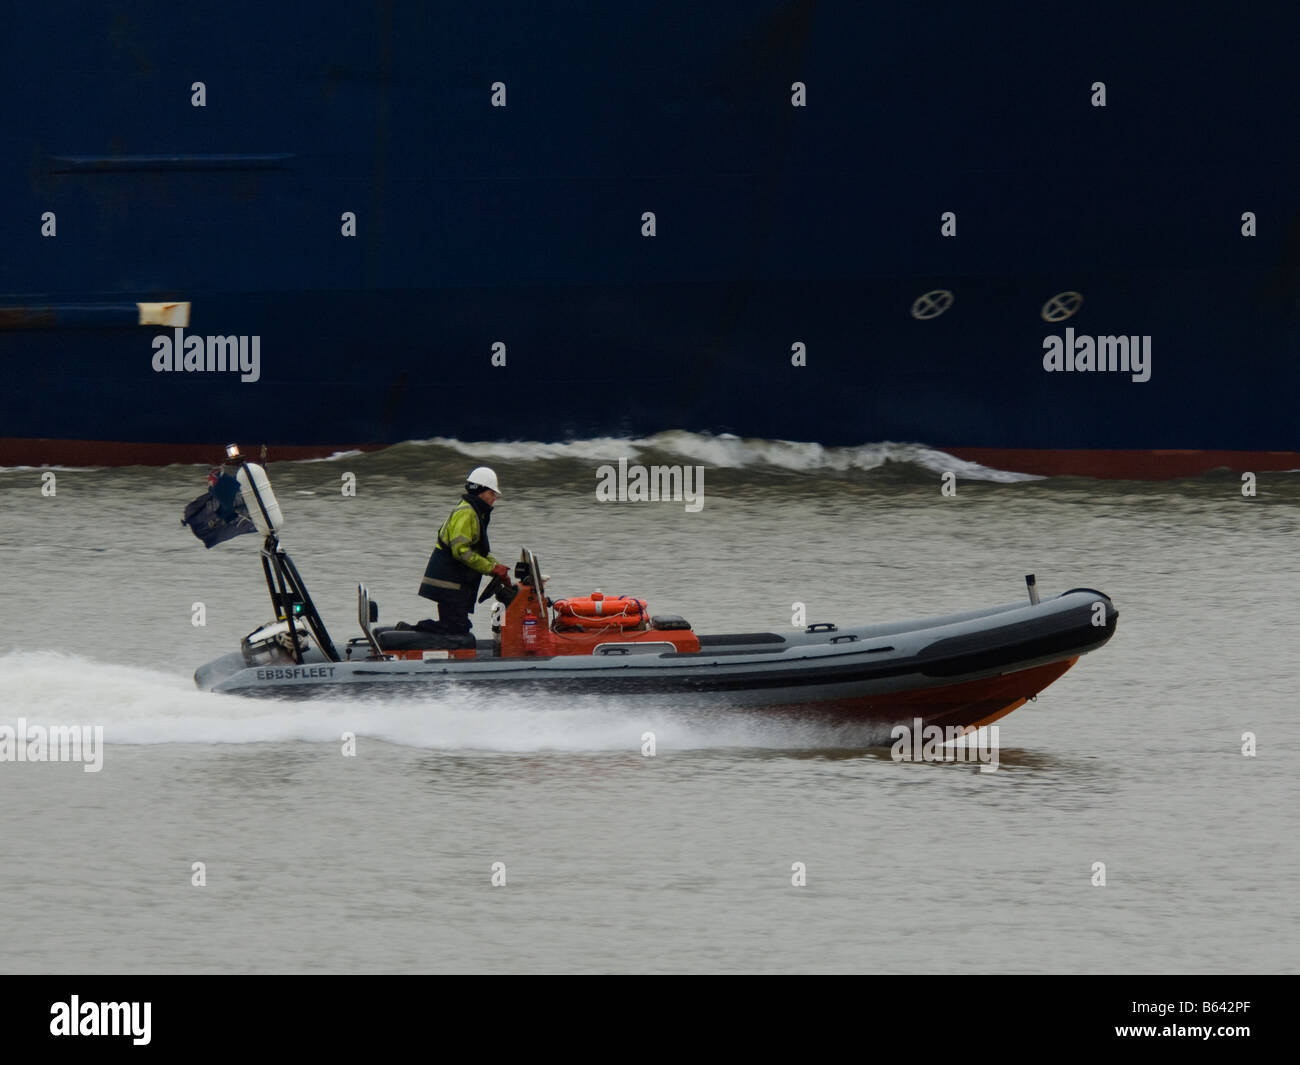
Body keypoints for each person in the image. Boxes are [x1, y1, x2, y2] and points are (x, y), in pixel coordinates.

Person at [416, 466, 512, 634]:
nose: (494, 498)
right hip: (448, 583)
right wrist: (491, 568)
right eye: (492, 493)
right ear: (480, 491)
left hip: (453, 585)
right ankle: (408, 633)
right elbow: (461, 551)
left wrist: (496, 567)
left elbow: (478, 551)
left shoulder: (473, 512)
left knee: (457, 626)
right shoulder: (467, 512)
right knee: (456, 629)